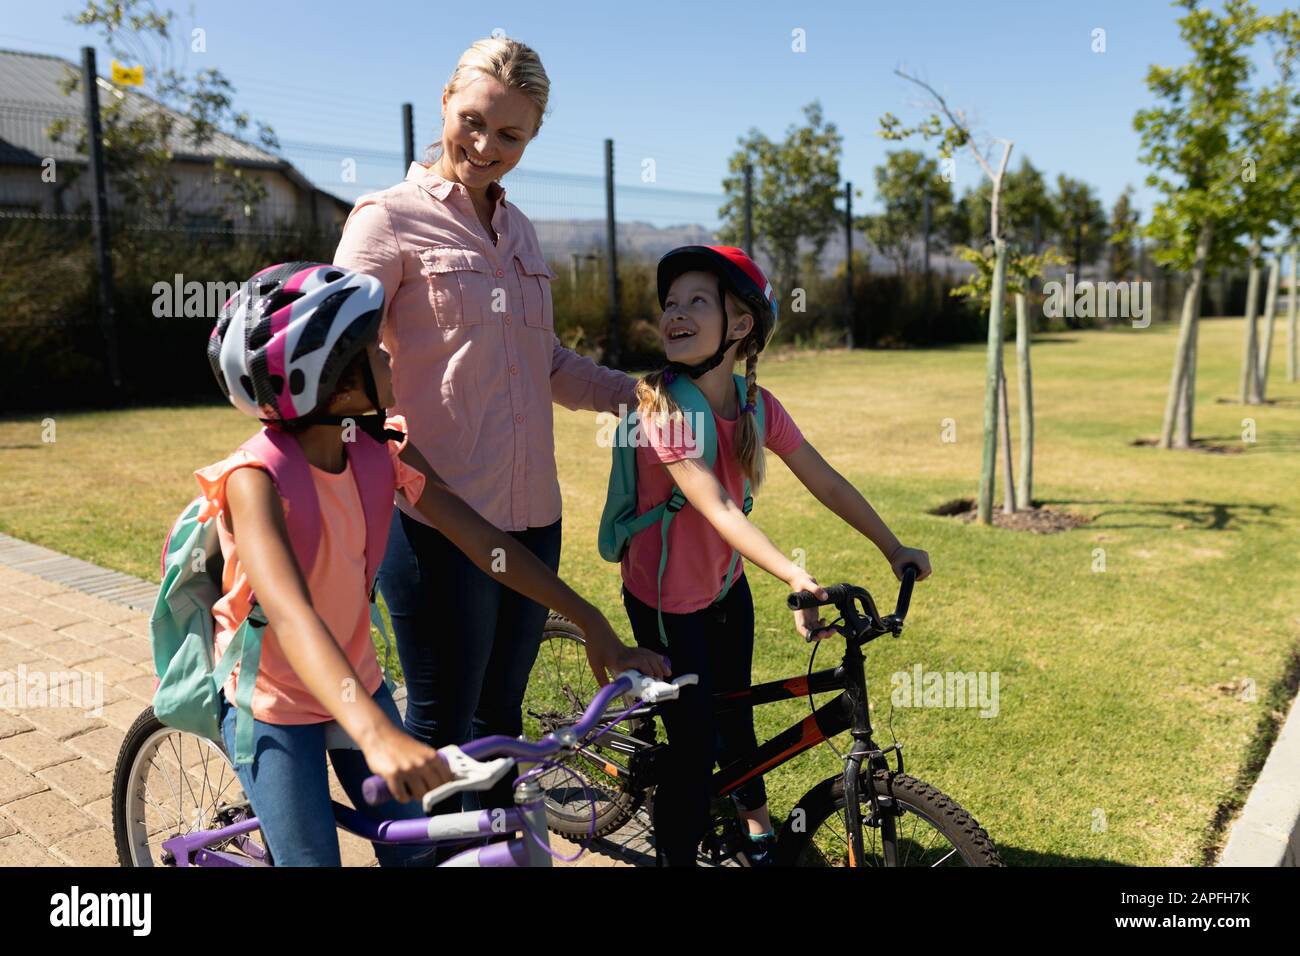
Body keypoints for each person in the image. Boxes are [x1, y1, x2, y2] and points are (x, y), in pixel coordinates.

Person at [200, 261, 664, 866]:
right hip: (275, 705)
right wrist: (376, 734)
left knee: (419, 854)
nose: (389, 354)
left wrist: (591, 621)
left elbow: (485, 545)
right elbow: (291, 614)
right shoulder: (255, 481)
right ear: (338, 387)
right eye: (373, 348)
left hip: (358, 684)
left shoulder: (380, 446)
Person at [333, 36, 641, 811]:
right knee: (441, 731)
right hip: (435, 524)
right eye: (472, 120)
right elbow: (343, 375)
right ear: (445, 100)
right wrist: (408, 470)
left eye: (511, 136)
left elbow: (547, 363)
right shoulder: (385, 221)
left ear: (531, 137)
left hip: (535, 519)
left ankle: (492, 852)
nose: (485, 146)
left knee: (499, 723)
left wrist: (636, 393)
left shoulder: (523, 232)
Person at [620, 245, 932, 866]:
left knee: (736, 717)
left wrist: (892, 545)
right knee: (693, 743)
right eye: (672, 303)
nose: (675, 313)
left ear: (740, 327)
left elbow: (827, 480)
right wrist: (794, 573)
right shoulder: (662, 406)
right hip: (666, 601)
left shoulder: (757, 405)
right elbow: (717, 507)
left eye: (696, 301)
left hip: (723, 586)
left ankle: (755, 825)